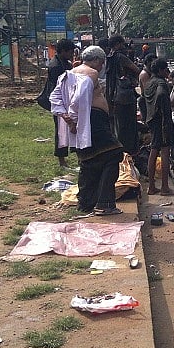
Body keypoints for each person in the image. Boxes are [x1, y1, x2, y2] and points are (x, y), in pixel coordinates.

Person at [50, 46, 123, 216]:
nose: (102, 66)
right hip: (92, 121)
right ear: (97, 60)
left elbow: (55, 97)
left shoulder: (70, 72)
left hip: (86, 121)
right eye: (102, 62)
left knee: (89, 159)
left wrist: (65, 115)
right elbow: (79, 98)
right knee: (114, 153)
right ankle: (104, 204)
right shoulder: (90, 72)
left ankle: (87, 202)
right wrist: (73, 120)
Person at [144, 58, 174, 196]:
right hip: (163, 121)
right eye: (165, 69)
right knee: (164, 153)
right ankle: (164, 187)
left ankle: (151, 186)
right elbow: (162, 94)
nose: (167, 72)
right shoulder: (161, 83)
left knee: (153, 150)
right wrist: (162, 109)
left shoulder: (149, 82)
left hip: (153, 120)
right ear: (161, 70)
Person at [104, 35, 140, 155]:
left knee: (119, 127)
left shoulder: (109, 57)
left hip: (113, 96)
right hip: (125, 97)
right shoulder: (121, 57)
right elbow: (136, 70)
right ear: (118, 44)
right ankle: (129, 153)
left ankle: (120, 152)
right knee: (129, 127)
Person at [45, 38, 75, 170]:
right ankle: (62, 160)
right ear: (63, 51)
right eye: (70, 52)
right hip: (60, 103)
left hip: (67, 101)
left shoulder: (64, 63)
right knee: (61, 131)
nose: (72, 54)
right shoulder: (56, 66)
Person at [137, 53, 157, 122]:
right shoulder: (144, 74)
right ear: (148, 62)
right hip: (145, 101)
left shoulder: (151, 72)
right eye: (153, 62)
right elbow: (148, 91)